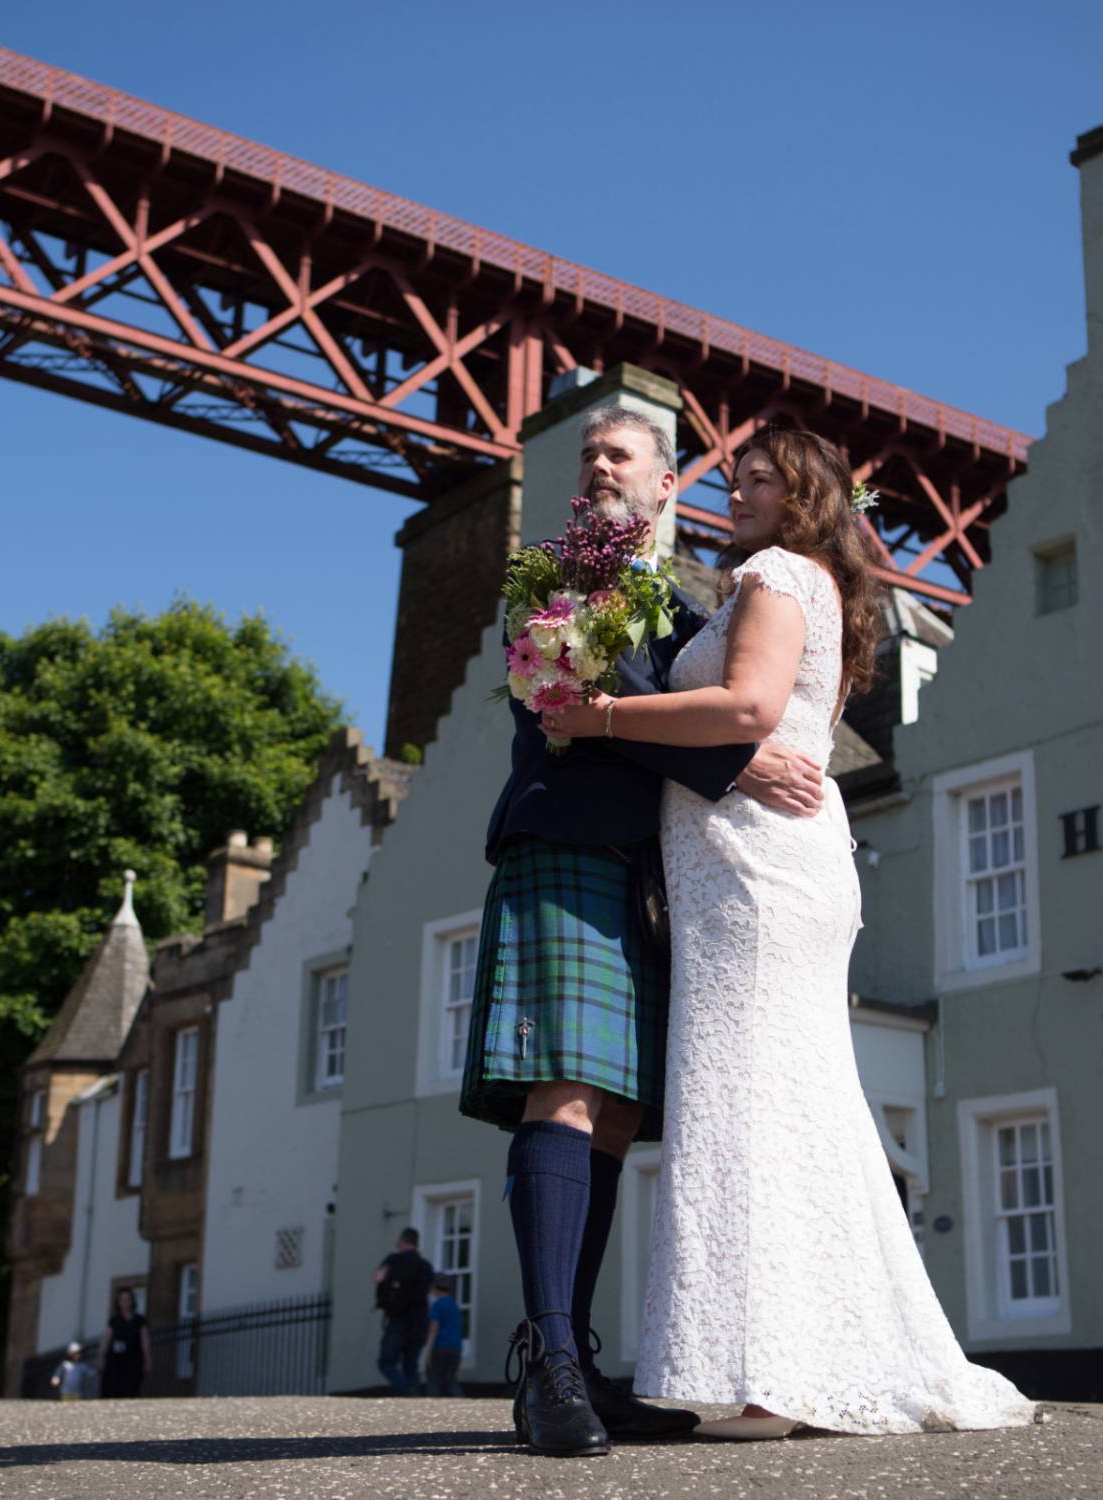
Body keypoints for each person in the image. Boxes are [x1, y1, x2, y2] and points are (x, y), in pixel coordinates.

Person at [539, 426, 1040, 1439]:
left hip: (756, 879)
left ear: (807, 496)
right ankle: (800, 1359)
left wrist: (594, 718)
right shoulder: (800, 584)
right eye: (735, 480)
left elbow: (747, 707)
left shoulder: (773, 571)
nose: (741, 496)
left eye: (762, 480)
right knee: (792, 1101)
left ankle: (768, 1378)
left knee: (741, 1099)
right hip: (769, 870)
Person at [465, 404, 830, 1458]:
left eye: (619, 455)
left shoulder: (681, 605)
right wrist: (736, 756)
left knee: (617, 1115)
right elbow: (580, 697)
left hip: (660, 879)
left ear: (668, 485)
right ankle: (548, 1366)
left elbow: (702, 696)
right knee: (569, 1091)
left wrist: (738, 736)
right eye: (587, 454)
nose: (597, 467)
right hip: (568, 846)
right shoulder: (553, 573)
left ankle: (575, 1349)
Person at [373, 1228, 434, 1395]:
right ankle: (412, 1397)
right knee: (411, 1364)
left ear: (402, 1242)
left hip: (398, 1319)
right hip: (419, 1320)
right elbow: (429, 1288)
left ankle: (404, 1392)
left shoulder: (393, 1260)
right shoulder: (425, 1266)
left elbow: (378, 1278)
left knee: (386, 1362)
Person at [97, 1287, 147, 1400]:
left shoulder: (139, 1320)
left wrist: (147, 1360)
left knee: (131, 1390)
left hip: (133, 1361)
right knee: (112, 1389)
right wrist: (100, 1357)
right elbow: (105, 1339)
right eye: (122, 1300)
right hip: (116, 1361)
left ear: (132, 1301)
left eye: (128, 1299)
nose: (125, 1303)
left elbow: (145, 1342)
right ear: (118, 1303)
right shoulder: (114, 1320)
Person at [422, 1275, 465, 1397]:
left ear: (434, 1287)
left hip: (440, 1346)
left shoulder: (437, 1305)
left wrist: (427, 1351)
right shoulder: (454, 1305)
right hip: (455, 1347)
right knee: (450, 1379)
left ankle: (432, 1407)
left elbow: (433, 1330)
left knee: (433, 1379)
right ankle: (462, 1402)